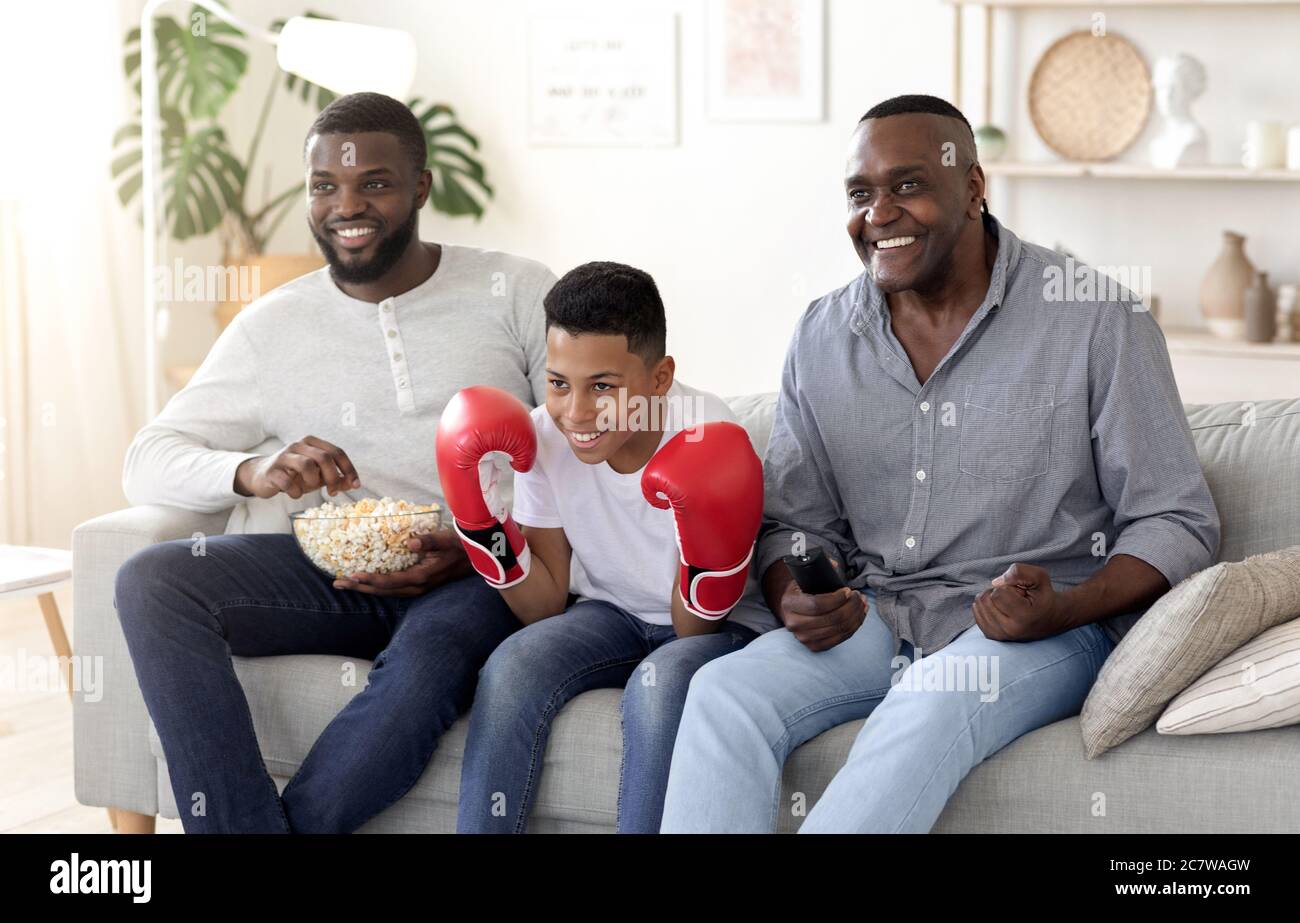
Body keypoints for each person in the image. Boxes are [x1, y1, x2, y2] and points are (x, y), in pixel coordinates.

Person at [659, 95, 1221, 834]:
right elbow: (794, 523)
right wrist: (792, 588)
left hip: (1033, 633)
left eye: (908, 186)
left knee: (929, 701)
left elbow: (1176, 519)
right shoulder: (823, 335)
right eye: (861, 194)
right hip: (875, 612)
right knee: (721, 694)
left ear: (975, 188)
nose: (879, 213)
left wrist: (1063, 607)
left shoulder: (1095, 320)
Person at [114, 92, 555, 833]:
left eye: (373, 183)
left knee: (429, 660)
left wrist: (485, 542)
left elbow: (583, 447)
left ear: (419, 187)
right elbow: (146, 458)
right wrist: (253, 470)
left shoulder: (514, 291)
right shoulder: (270, 328)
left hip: (480, 571)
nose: (345, 205)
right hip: (335, 572)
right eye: (325, 186)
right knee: (153, 581)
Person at [440, 262, 776, 833]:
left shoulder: (706, 431)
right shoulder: (544, 433)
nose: (576, 413)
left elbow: (690, 629)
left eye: (602, 386)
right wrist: (483, 531)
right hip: (610, 613)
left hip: (718, 625)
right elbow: (543, 604)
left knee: (662, 686)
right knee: (512, 666)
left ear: (660, 378)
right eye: (558, 383)